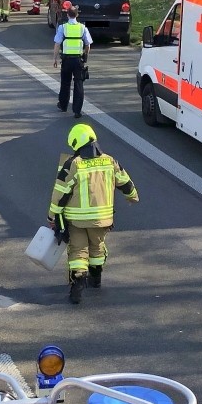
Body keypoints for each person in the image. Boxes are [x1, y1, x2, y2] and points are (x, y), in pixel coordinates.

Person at [48, 125, 139, 304]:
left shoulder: (73, 164)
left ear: (76, 143)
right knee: (97, 247)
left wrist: (53, 217)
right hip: (102, 219)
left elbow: (60, 194)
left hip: (77, 221)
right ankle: (96, 279)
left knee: (78, 250)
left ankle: (77, 285)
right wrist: (132, 197)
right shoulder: (109, 161)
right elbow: (125, 182)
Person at [53, 1, 89, 116]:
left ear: (67, 15)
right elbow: (88, 45)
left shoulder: (63, 27)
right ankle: (77, 110)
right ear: (77, 15)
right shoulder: (82, 28)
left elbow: (57, 44)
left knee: (65, 83)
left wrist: (54, 58)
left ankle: (63, 105)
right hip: (78, 60)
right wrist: (85, 55)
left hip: (66, 60)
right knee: (78, 84)